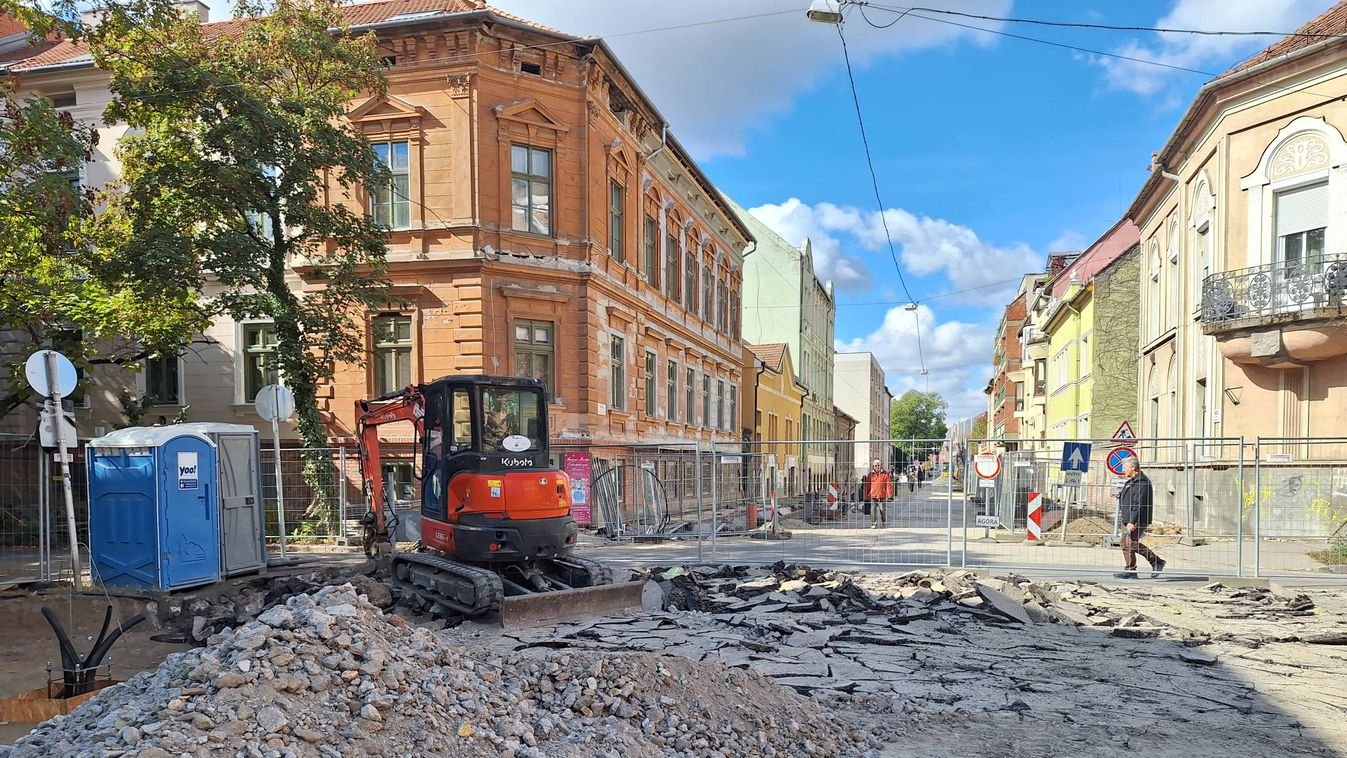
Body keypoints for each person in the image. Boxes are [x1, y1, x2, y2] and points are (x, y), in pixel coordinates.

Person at [1115, 457, 1166, 579]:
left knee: (1131, 543)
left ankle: (1157, 561)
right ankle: (1130, 571)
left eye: (1124, 467)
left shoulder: (1142, 482)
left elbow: (1139, 504)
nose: (1123, 470)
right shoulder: (1133, 481)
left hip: (1137, 519)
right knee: (1125, 544)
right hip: (1128, 519)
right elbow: (1131, 497)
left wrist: (1132, 522)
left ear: (1133, 467)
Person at [861, 460, 893, 529]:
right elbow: (867, 486)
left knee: (883, 509)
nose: (877, 467)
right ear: (873, 466)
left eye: (878, 465)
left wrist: (889, 494)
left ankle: (884, 521)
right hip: (873, 495)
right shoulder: (870, 475)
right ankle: (874, 523)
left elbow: (888, 484)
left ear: (880, 465)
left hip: (882, 494)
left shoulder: (885, 474)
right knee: (873, 510)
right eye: (876, 465)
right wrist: (867, 495)